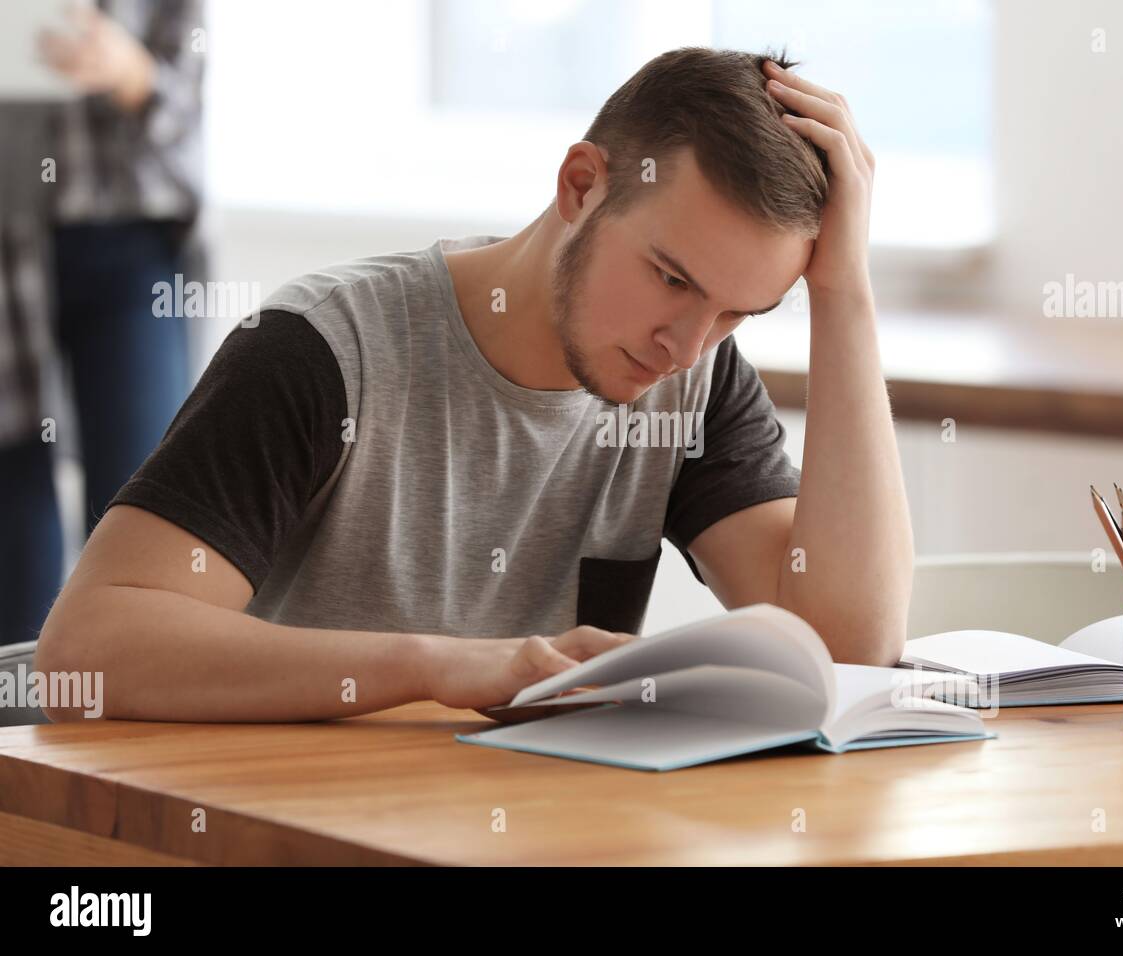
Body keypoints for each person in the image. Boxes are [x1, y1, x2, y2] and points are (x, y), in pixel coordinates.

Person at [36, 47, 913, 723]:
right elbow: (90, 647)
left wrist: (845, 296)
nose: (686, 345)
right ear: (581, 186)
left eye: (737, 314)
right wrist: (442, 667)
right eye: (672, 279)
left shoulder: (691, 385)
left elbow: (849, 647)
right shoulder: (324, 348)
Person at [0, 1, 205, 647]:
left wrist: (129, 70)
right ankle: (14, 730)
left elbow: (187, 109)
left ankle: (138, 718)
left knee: (144, 499)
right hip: (8, 241)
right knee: (13, 490)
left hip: (131, 238)